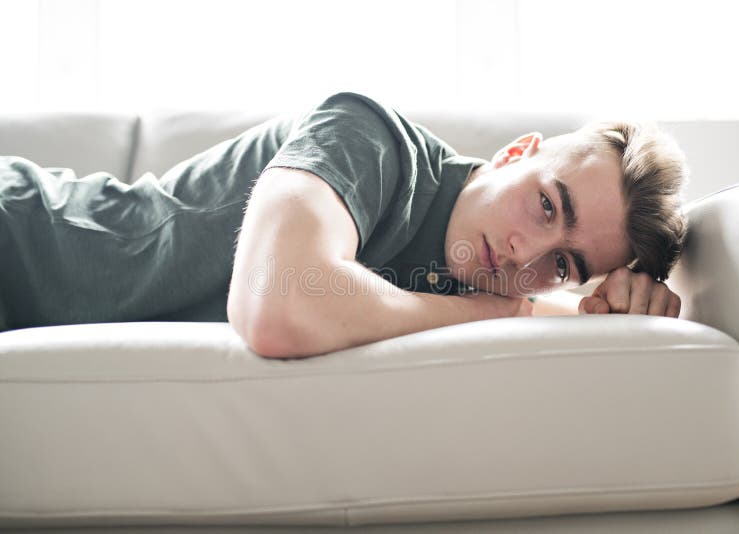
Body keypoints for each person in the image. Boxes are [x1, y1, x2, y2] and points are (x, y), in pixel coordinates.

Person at [0, 92, 688, 358]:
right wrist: (488, 311)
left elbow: (541, 310)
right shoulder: (368, 136)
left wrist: (620, 312)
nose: (524, 253)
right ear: (515, 154)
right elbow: (278, 309)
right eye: (546, 205)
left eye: (564, 263)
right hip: (21, 236)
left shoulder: (500, 286)